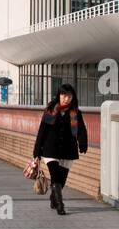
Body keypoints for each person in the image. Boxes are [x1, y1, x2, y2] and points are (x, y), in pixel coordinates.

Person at [31, 83, 88, 216]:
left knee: (62, 180)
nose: (66, 98)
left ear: (72, 97)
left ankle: (54, 197)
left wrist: (83, 143)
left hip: (68, 150)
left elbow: (81, 130)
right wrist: (37, 151)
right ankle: (60, 205)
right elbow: (42, 131)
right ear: (59, 95)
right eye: (64, 95)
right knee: (55, 176)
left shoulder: (75, 112)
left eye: (69, 96)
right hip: (50, 150)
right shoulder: (51, 110)